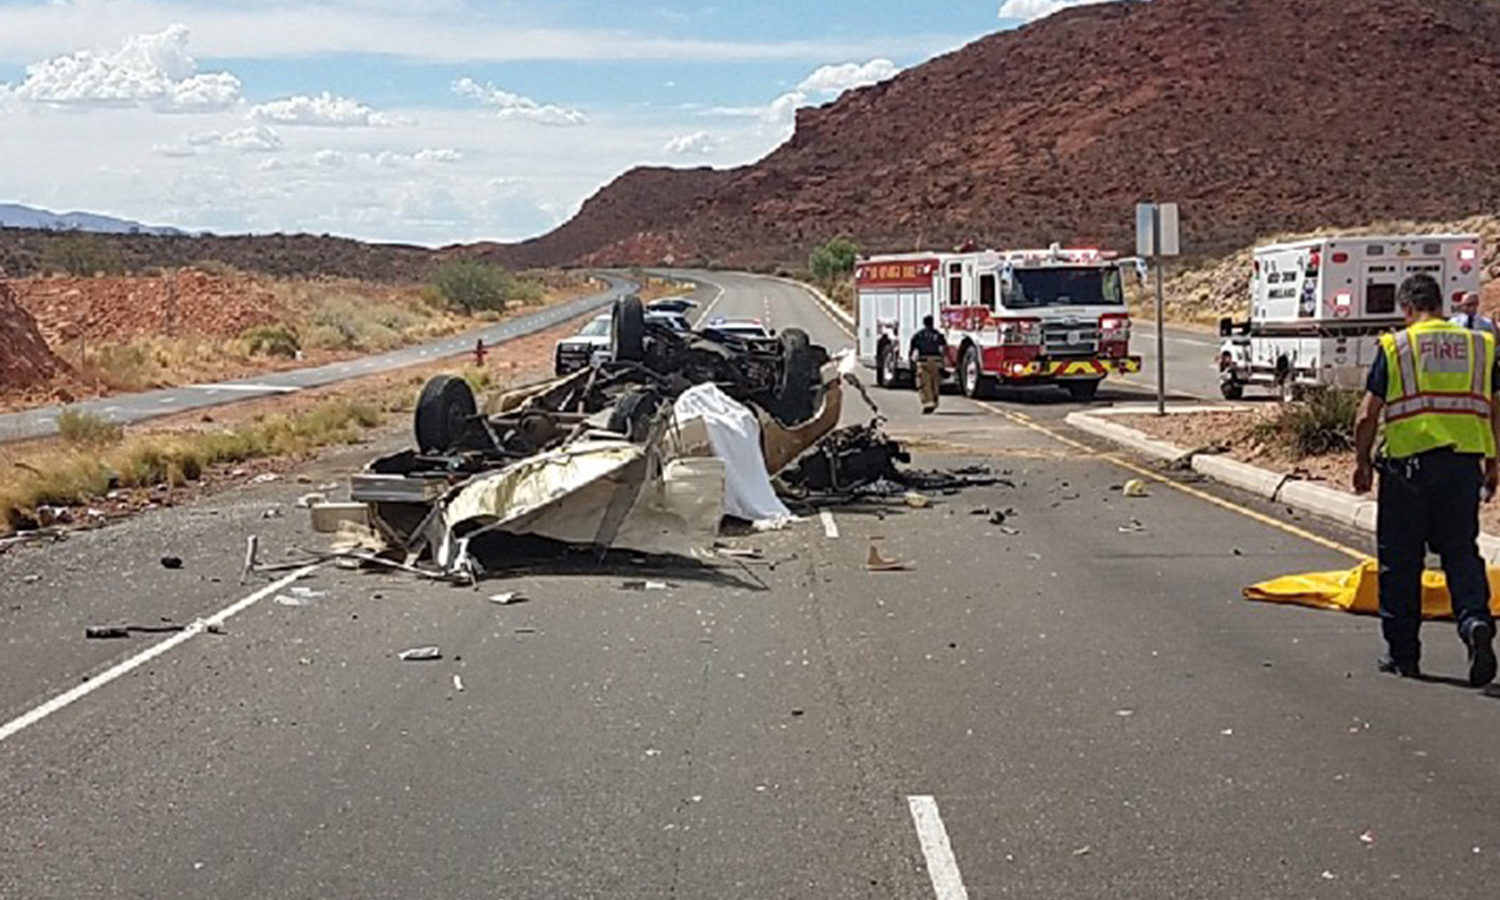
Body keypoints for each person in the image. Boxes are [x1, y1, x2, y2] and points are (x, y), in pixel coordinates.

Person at [1353, 273, 1499, 686]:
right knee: (1460, 553)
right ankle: (1474, 621)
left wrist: (1361, 460)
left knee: (1400, 563)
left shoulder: (1397, 345)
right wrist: (1493, 461)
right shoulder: (1480, 345)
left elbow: (1367, 414)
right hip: (1462, 468)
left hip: (1408, 472)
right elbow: (1493, 407)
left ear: (1407, 308)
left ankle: (1403, 655)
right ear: (1441, 304)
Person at [910, 315, 947, 415]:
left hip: (923, 361)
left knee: (924, 384)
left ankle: (927, 403)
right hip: (936, 361)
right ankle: (934, 402)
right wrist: (944, 363)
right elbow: (944, 348)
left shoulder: (919, 335)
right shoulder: (938, 335)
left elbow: (912, 349)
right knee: (935, 384)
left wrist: (912, 363)